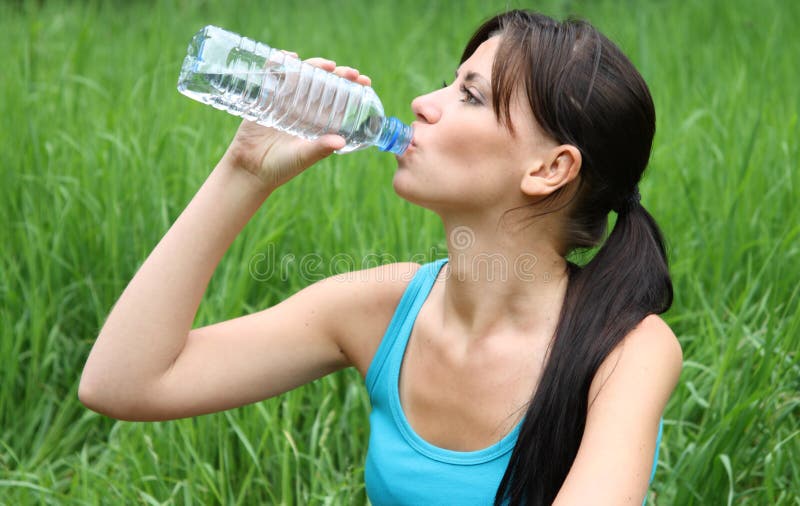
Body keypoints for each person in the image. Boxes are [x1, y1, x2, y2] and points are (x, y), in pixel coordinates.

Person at [79, 9, 683, 506]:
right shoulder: (380, 308)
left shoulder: (627, 351)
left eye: (470, 96)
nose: (423, 101)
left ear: (551, 169)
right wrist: (245, 173)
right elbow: (123, 383)